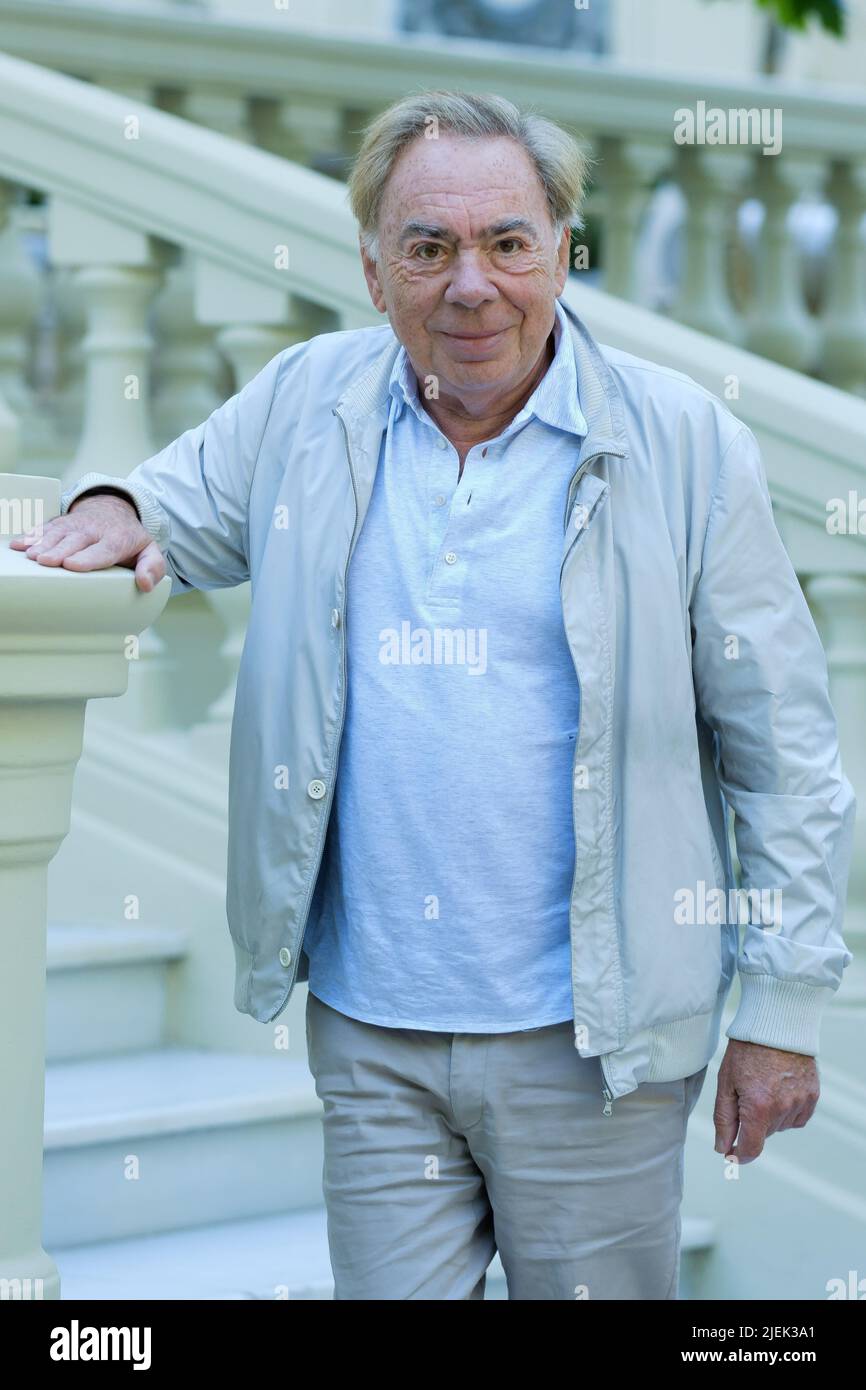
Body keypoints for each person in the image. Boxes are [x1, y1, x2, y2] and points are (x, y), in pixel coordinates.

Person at [13, 91, 855, 1301]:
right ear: (372, 269)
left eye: (507, 242)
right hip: (373, 1031)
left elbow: (780, 746)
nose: (470, 284)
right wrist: (109, 507)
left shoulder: (681, 444)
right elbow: (164, 501)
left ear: (564, 249)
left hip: (595, 1045)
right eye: (427, 246)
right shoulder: (308, 401)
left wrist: (779, 1004)